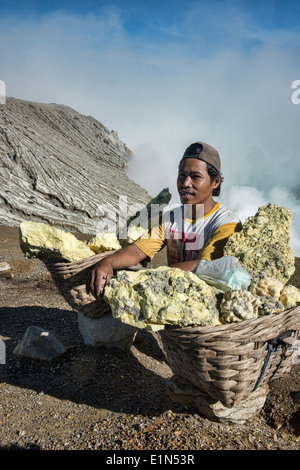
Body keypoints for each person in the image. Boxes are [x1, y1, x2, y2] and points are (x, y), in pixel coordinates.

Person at [87, 141, 242, 298]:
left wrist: (149, 277)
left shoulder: (226, 224)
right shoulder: (171, 218)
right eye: (182, 175)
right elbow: (138, 249)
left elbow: (205, 267)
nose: (186, 183)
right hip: (172, 297)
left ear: (215, 182)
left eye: (196, 177)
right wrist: (108, 262)